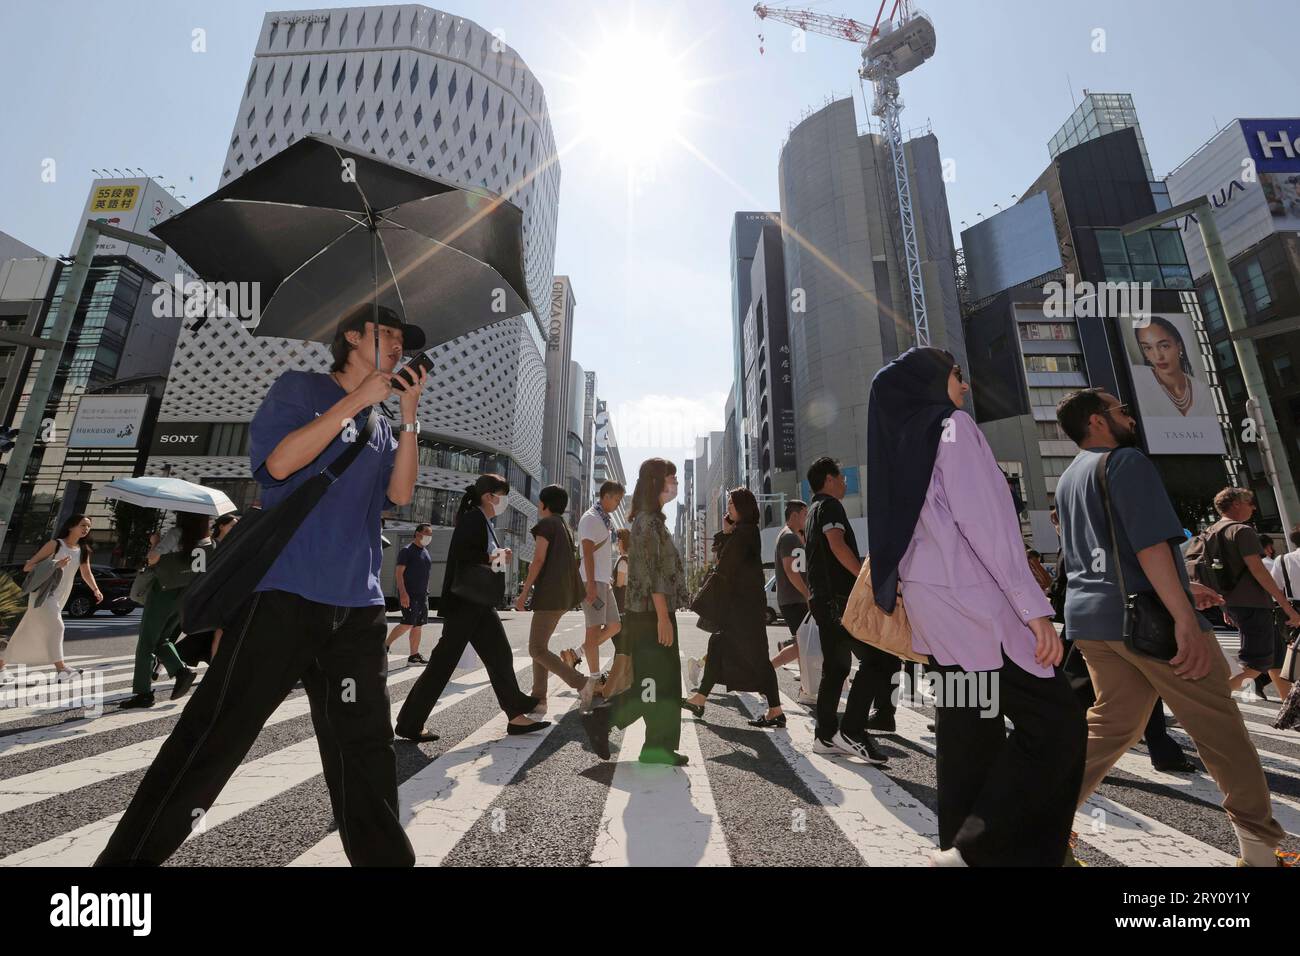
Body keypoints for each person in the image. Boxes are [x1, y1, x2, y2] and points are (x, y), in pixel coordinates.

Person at [96, 303, 428, 867]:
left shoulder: (382, 423)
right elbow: (276, 465)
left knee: (365, 753)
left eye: (402, 338)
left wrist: (408, 413)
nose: (398, 345)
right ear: (350, 336)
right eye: (386, 333)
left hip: (358, 607)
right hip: (284, 597)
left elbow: (399, 495)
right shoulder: (301, 389)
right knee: (214, 738)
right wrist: (357, 399)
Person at [869, 347, 1084, 866]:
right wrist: (1034, 609)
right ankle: (978, 851)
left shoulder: (898, 444)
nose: (964, 387)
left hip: (939, 614)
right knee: (1056, 725)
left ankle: (964, 854)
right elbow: (988, 527)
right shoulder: (952, 429)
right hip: (982, 611)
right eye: (957, 376)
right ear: (931, 381)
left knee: (969, 735)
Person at [1054, 388, 1286, 867]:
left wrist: (1182, 588)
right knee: (1219, 727)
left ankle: (1035, 825)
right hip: (1148, 623)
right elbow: (1150, 547)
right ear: (1097, 421)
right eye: (1120, 411)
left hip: (1092, 622)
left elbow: (1103, 553)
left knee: (1111, 724)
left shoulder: (1069, 477)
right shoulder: (1125, 462)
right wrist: (1183, 615)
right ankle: (1262, 851)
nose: (1130, 418)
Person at [395, 474, 550, 742]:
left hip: (477, 603)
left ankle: (515, 714)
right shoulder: (473, 519)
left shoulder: (484, 521)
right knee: (443, 663)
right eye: (501, 495)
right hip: (466, 603)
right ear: (489, 496)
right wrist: (493, 556)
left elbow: (483, 561)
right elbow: (465, 556)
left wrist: (500, 557)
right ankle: (409, 723)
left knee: (500, 655)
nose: (503, 502)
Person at [581, 458, 687, 766]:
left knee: (659, 683)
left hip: (652, 612)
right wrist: (663, 617)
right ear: (657, 483)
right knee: (653, 683)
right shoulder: (647, 522)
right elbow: (654, 573)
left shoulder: (651, 520)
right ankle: (606, 720)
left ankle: (655, 746)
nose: (675, 484)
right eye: (672, 478)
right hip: (651, 614)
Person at [804, 456, 892, 763]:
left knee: (837, 668)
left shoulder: (812, 511)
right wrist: (864, 579)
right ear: (829, 479)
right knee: (881, 659)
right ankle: (853, 730)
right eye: (841, 477)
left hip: (823, 601)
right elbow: (837, 543)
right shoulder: (830, 507)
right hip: (838, 602)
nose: (845, 482)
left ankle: (825, 736)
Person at [682, 488, 785, 728]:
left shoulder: (745, 533)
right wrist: (728, 531)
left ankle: (774, 709)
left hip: (744, 608)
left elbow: (725, 566)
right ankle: (701, 697)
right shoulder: (745, 531)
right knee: (725, 646)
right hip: (745, 606)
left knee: (747, 653)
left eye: (731, 503)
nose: (728, 507)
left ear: (743, 507)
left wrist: (703, 597)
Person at [1193, 487, 1300, 701]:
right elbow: (1259, 572)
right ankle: (1207, 699)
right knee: (1255, 664)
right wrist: (1287, 608)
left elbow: (1210, 572)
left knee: (1275, 659)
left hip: (1235, 603)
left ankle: (1292, 714)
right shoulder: (1242, 531)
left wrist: (1224, 605)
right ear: (1236, 504)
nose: (1253, 507)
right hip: (1254, 604)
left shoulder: (1209, 532)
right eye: (1250, 502)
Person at [516, 484, 601, 713]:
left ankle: (581, 682)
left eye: (539, 503)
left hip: (550, 594)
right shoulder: (563, 526)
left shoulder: (546, 524)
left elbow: (539, 560)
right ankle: (539, 699)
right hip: (563, 594)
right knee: (540, 648)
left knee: (536, 649)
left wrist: (524, 593)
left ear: (543, 504)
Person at [117, 513, 209, 709]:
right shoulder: (206, 539)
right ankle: (180, 671)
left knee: (146, 643)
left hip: (165, 590)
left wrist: (155, 542)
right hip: (187, 592)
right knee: (162, 639)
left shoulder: (176, 533)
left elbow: (153, 559)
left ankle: (144, 693)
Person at [0, 513, 102, 684]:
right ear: (71, 526)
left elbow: (86, 572)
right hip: (43, 594)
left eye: (88, 526)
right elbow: (28, 566)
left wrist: (96, 589)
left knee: (26, 630)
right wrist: (55, 564)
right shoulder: (55, 544)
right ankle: (62, 669)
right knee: (58, 627)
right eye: (82, 525)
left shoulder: (83, 549)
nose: (86, 529)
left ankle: (1, 666)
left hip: (60, 595)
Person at [578, 481, 626, 676]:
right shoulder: (591, 518)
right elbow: (587, 553)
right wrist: (590, 585)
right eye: (616, 499)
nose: (617, 504)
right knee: (593, 629)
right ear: (606, 496)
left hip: (603, 582)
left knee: (615, 625)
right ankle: (595, 679)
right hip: (593, 582)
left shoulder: (604, 519)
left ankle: (577, 652)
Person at [1130, 316, 1216, 419]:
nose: (1158, 356)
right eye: (1148, 348)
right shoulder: (1136, 377)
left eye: (1164, 346)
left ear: (1179, 346)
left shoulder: (1202, 390)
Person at [387, 523, 434, 665]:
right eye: (427, 533)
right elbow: (399, 574)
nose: (429, 537)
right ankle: (385, 645)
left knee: (418, 625)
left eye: (431, 534)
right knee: (408, 623)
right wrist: (403, 594)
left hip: (422, 595)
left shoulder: (425, 551)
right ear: (418, 534)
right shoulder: (407, 551)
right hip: (410, 594)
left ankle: (414, 656)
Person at [611, 528, 630, 615]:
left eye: (617, 540)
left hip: (621, 599)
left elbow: (620, 583)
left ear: (621, 542)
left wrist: (610, 581)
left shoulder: (623, 561)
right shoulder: (630, 558)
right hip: (627, 600)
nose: (616, 543)